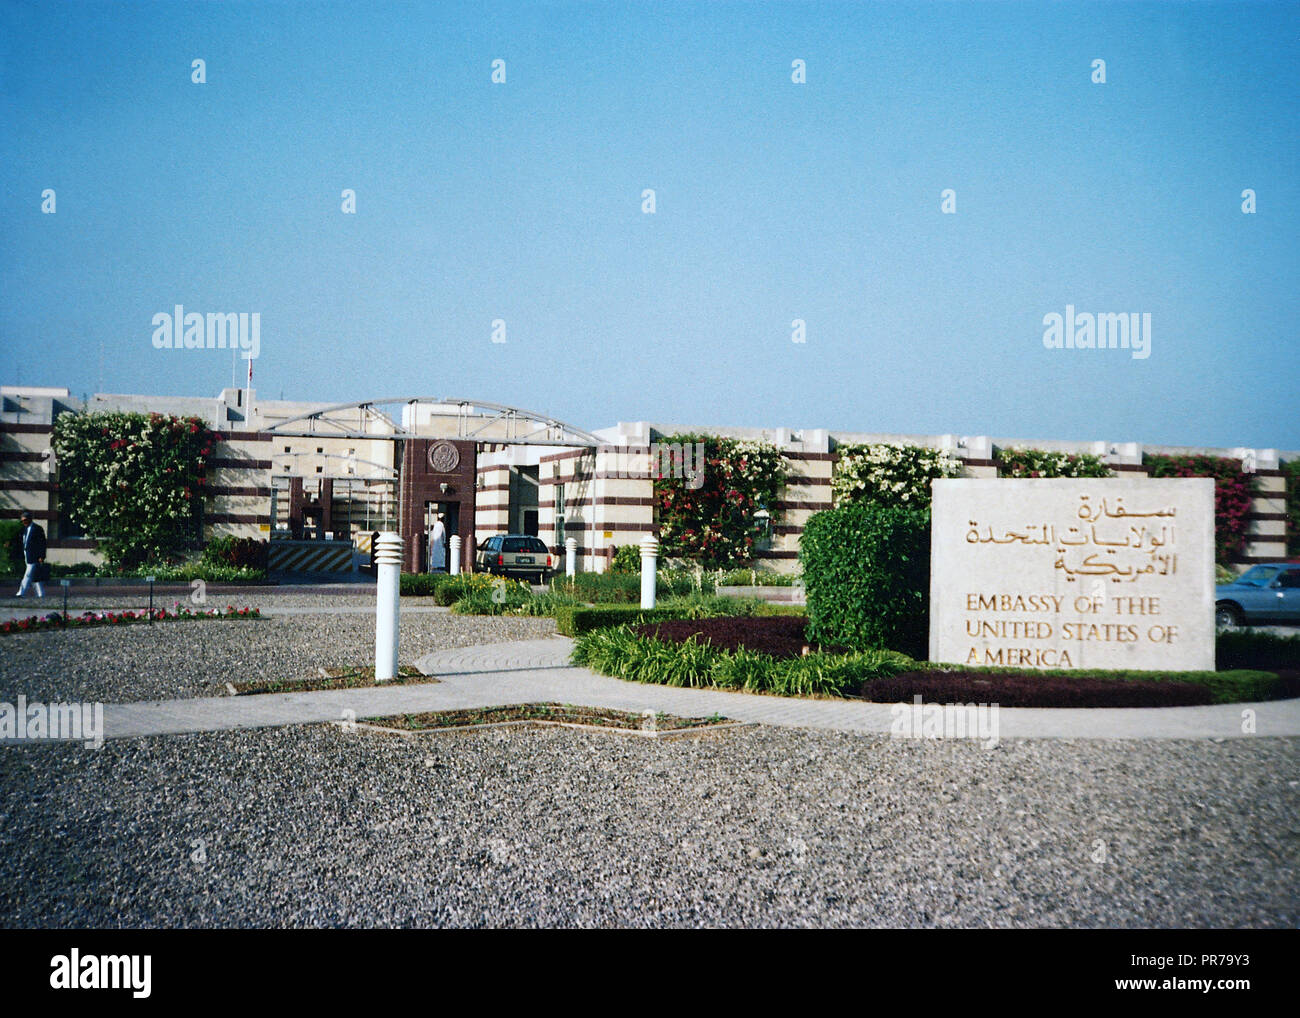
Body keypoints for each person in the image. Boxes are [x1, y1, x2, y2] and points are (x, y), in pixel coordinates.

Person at [15, 511, 47, 598]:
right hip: (27, 554)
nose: (23, 522)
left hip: (34, 555)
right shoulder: (24, 529)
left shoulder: (37, 529)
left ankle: (21, 592)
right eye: (22, 521)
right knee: (35, 574)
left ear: (29, 519)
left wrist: (42, 556)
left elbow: (42, 543)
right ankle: (41, 594)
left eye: (25, 520)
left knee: (28, 574)